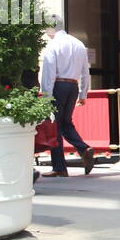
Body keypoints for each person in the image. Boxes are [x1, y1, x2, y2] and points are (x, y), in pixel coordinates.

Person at [38, 18, 96, 177]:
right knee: (66, 122)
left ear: (51, 28)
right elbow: (86, 71)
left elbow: (48, 73)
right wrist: (83, 93)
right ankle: (84, 149)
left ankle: (59, 167)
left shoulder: (53, 44)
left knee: (54, 124)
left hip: (58, 85)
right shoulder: (78, 44)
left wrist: (46, 96)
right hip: (72, 86)